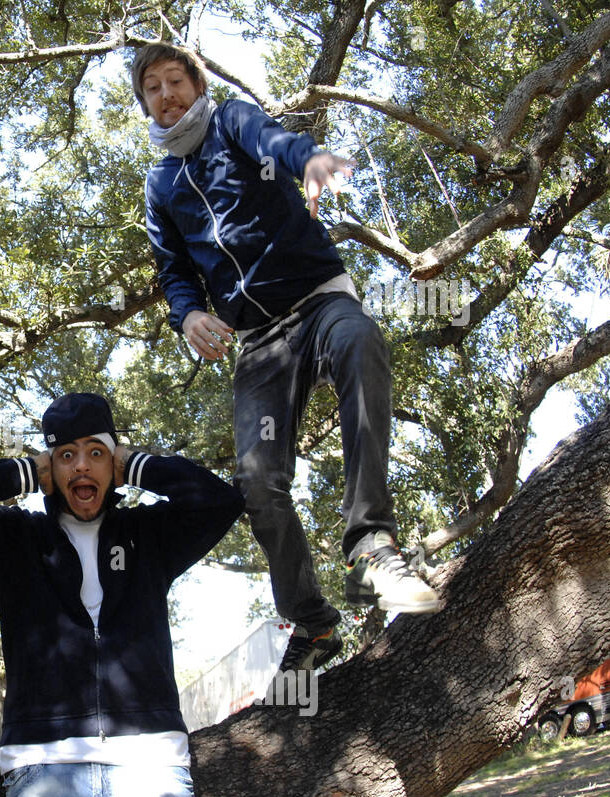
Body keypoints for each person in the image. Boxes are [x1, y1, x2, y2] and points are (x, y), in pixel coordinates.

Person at [135, 42, 442, 673]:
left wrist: (311, 160)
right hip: (261, 341)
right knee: (258, 483)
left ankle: (372, 544)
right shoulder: (160, 185)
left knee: (360, 341)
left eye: (175, 81)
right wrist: (188, 313)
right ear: (145, 105)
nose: (167, 95)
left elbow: (277, 141)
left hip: (319, 299)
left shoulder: (231, 122)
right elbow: (176, 272)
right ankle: (313, 624)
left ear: (195, 85)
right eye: (153, 89)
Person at [0, 393, 244, 797]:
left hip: (149, 762)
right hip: (44, 765)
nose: (81, 467)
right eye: (67, 455)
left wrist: (137, 463)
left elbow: (221, 500)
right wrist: (27, 472)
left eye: (95, 452)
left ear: (115, 465)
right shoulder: (16, 541)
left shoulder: (150, 535)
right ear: (51, 468)